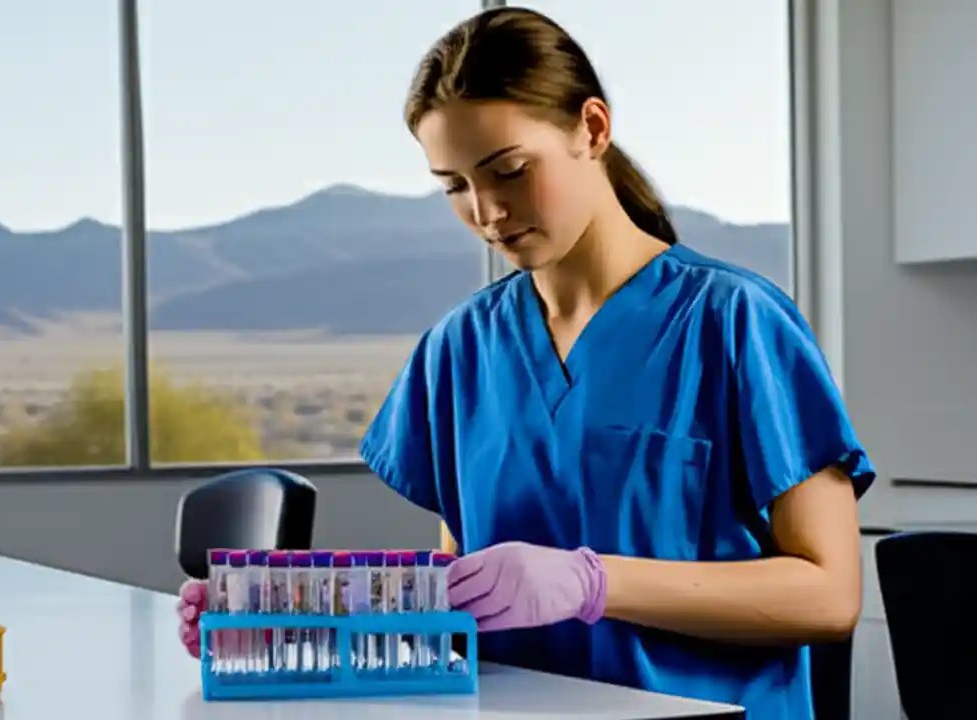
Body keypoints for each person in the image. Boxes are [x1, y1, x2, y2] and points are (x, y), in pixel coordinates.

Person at [176, 7, 873, 718]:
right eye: (453, 185)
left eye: (508, 171)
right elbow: (458, 607)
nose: (486, 212)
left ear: (591, 129)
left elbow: (829, 597)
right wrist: (277, 621)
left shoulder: (735, 323)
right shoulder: (458, 350)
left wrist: (592, 582)